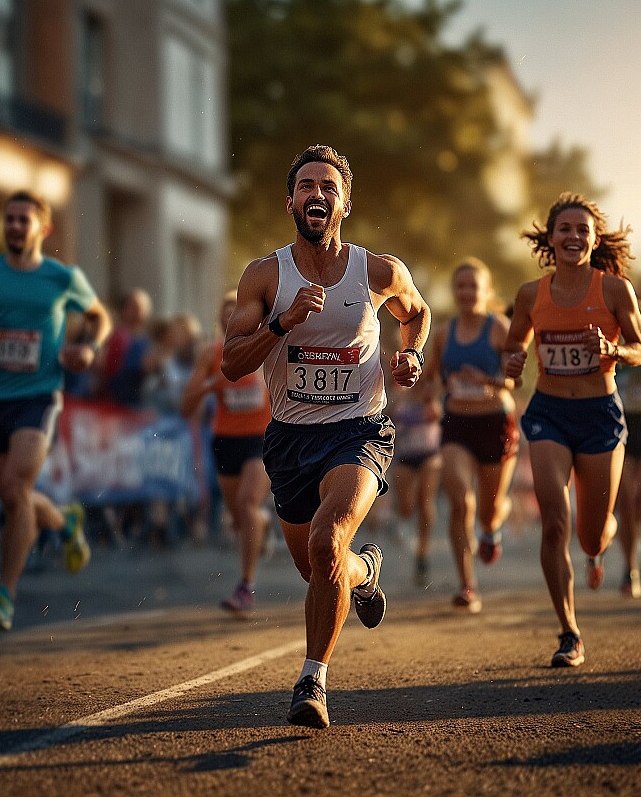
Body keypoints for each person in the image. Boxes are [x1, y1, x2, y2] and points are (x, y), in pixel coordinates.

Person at [222, 144, 430, 728]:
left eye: (328, 187)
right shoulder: (265, 276)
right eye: (306, 186)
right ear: (290, 201)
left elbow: (417, 313)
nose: (317, 194)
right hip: (290, 437)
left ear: (344, 203)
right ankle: (368, 570)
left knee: (325, 537)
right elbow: (233, 363)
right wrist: (281, 322)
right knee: (320, 566)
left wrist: (409, 354)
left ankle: (312, 680)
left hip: (359, 430)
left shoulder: (377, 271)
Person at [0, 190, 111, 631]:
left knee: (15, 487)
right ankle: (64, 520)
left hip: (38, 396)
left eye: (23, 219)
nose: (14, 226)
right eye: (9, 219)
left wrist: (88, 348)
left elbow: (98, 317)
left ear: (43, 228)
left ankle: (4, 594)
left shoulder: (61, 276)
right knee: (13, 497)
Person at [505, 192, 641, 667]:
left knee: (590, 536)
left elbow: (640, 348)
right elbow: (511, 350)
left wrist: (613, 349)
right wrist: (512, 362)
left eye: (582, 230)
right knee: (555, 522)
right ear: (550, 236)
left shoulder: (614, 291)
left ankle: (602, 547)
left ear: (593, 239)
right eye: (565, 229)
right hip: (549, 414)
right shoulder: (530, 294)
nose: (573, 236)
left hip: (600, 415)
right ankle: (569, 632)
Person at [424, 258, 519, 613]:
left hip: (495, 423)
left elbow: (515, 379)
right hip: (457, 427)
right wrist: (430, 396)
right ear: (455, 291)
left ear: (486, 291)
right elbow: (432, 377)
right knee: (461, 501)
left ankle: (493, 529)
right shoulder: (444, 333)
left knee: (489, 511)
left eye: (473, 286)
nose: (466, 292)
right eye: (460, 286)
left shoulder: (499, 328)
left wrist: (487, 381)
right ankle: (467, 584)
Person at [182, 292, 272, 615]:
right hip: (226, 441)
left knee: (247, 504)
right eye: (226, 314)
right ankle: (262, 523)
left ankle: (245, 587)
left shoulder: (266, 345)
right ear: (220, 321)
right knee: (240, 519)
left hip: (261, 440)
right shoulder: (211, 353)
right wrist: (211, 385)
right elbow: (185, 406)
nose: (231, 318)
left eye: (237, 312)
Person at [389, 386, 442, 588]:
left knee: (425, 502)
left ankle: (422, 554)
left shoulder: (430, 393)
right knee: (406, 508)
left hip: (430, 453)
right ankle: (399, 526)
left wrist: (429, 401)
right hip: (405, 456)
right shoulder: (398, 393)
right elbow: (388, 416)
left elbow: (437, 413)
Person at [614, 331, 641, 598]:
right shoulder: (616, 353)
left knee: (639, 502)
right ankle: (630, 568)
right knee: (627, 500)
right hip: (622, 429)